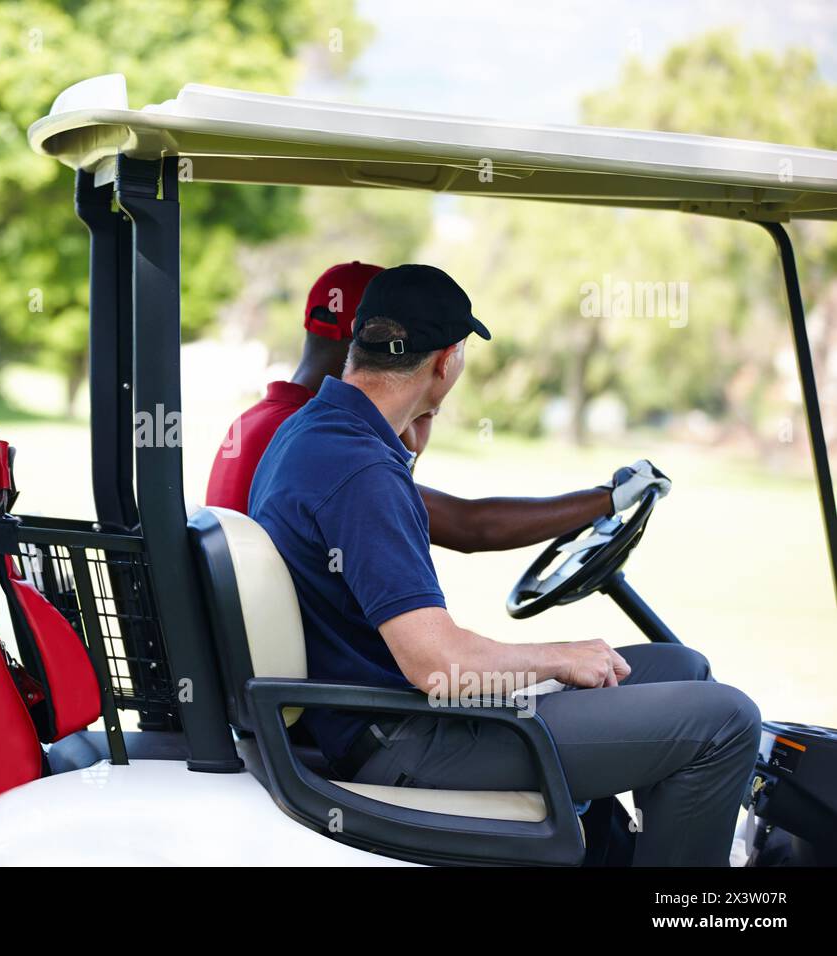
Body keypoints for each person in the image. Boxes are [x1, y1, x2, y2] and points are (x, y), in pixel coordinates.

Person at [249, 264, 760, 866]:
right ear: (447, 362)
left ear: (358, 343)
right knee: (727, 719)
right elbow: (438, 667)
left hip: (379, 716)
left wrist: (412, 435)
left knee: (681, 668)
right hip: (406, 738)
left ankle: (616, 851)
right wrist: (559, 658)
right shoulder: (363, 472)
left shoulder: (311, 431)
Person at [206, 262, 634, 553]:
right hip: (321, 680)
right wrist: (607, 499)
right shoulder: (318, 437)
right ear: (366, 339)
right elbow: (469, 526)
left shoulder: (262, 420)